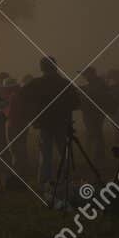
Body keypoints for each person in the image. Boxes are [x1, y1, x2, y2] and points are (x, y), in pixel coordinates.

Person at [21, 56, 78, 205]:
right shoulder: (64, 83)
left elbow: (23, 97)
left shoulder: (36, 83)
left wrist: (34, 113)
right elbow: (76, 102)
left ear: (42, 68)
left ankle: (45, 181)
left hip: (45, 123)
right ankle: (66, 178)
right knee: (63, 151)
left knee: (45, 153)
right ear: (55, 67)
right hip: (61, 122)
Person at [79, 67, 116, 174]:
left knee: (95, 135)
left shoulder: (98, 84)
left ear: (91, 74)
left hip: (94, 114)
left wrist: (84, 90)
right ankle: (95, 157)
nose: (85, 77)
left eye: (86, 75)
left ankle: (96, 158)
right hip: (92, 113)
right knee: (95, 135)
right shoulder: (97, 83)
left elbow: (96, 95)